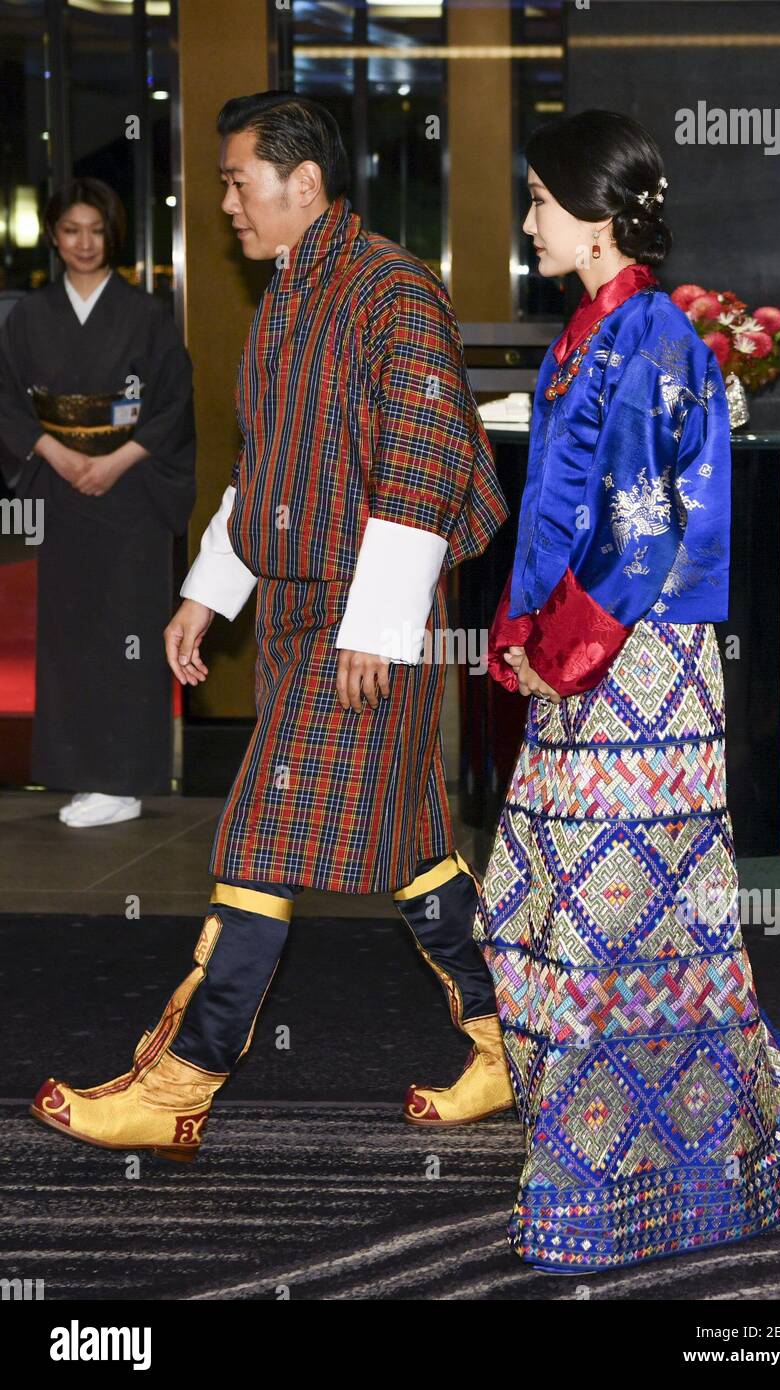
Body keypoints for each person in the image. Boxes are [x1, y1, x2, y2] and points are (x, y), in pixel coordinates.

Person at [31, 93, 513, 1160]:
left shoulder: (392, 289)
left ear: (303, 183)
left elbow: (428, 461)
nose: (223, 203)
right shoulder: (293, 294)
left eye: (235, 181)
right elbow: (269, 476)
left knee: (257, 837)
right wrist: (209, 589)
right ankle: (511, 1040)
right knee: (415, 851)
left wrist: (376, 628)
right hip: (305, 612)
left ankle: (182, 1081)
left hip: (361, 625)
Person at [474, 109, 780, 1272]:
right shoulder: (582, 335)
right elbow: (553, 516)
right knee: (530, 902)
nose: (527, 220)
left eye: (537, 200)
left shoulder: (658, 341)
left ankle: (617, 1180)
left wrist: (557, 650)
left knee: (607, 925)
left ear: (598, 215)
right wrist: (519, 635)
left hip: (642, 671)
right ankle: (653, 1150)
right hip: (583, 660)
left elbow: (641, 533)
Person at [0, 178, 195, 825]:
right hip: (62, 490)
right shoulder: (28, 316)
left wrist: (115, 459)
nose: (84, 243)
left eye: (95, 230)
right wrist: (59, 455)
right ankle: (81, 771)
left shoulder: (146, 314)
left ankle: (124, 779)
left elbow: (172, 403)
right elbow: (8, 402)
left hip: (131, 491)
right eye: (70, 230)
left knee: (129, 630)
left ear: (112, 234)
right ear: (54, 236)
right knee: (69, 631)